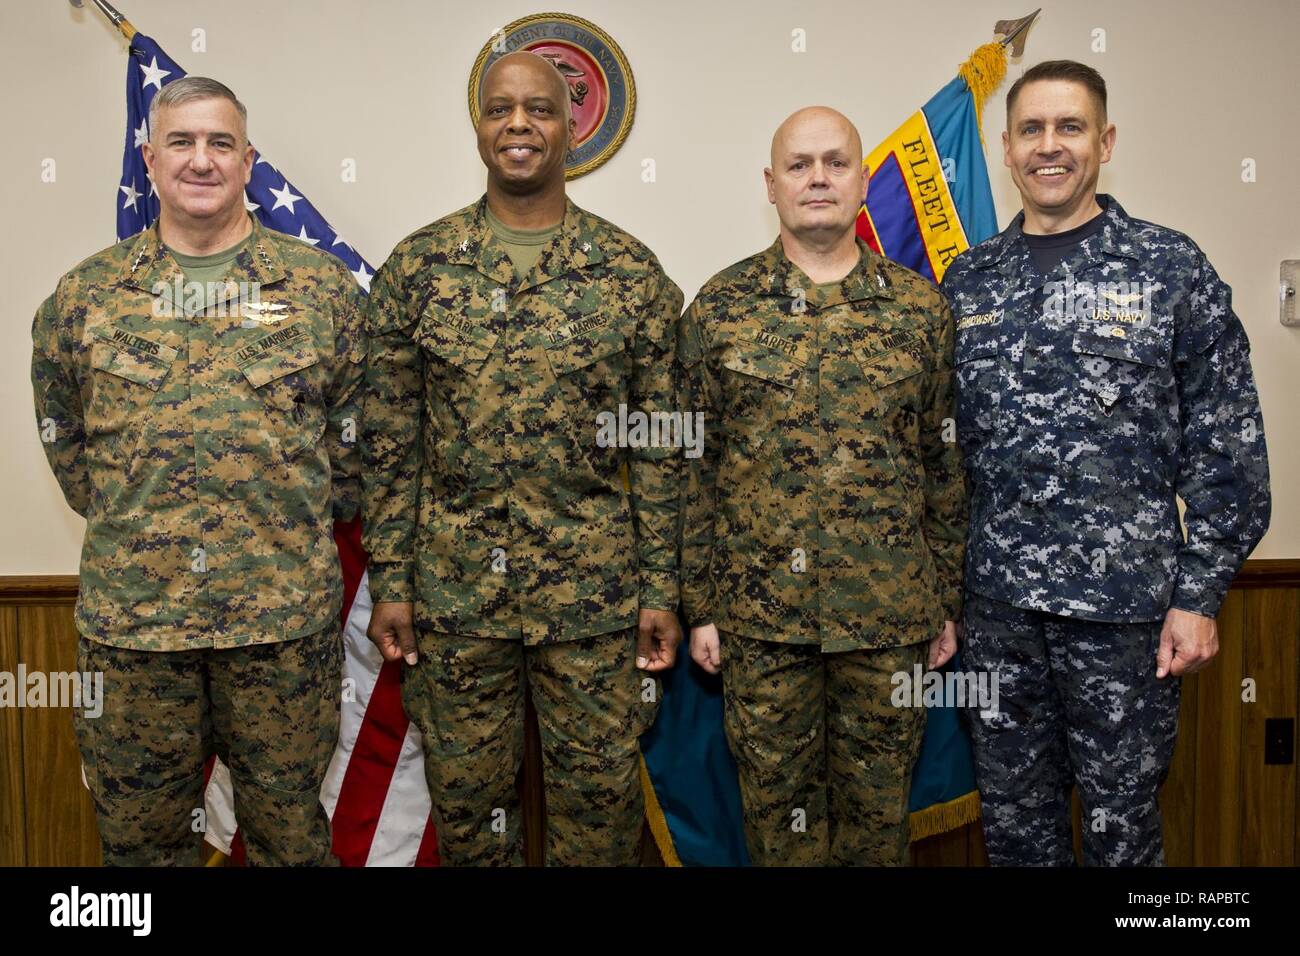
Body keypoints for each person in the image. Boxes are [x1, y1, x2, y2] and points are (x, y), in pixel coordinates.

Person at [940, 59, 1271, 865]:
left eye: (1070, 127)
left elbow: (1230, 448)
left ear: (1105, 141)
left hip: (1126, 619)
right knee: (1017, 828)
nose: (1049, 147)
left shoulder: (1169, 269)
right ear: (1007, 150)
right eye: (1031, 130)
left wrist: (1199, 596)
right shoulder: (968, 280)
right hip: (998, 617)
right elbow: (940, 457)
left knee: (1124, 830)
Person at [30, 76, 366, 865]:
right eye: (181, 142)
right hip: (137, 635)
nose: (201, 160)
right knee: (143, 852)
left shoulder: (321, 294)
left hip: (280, 633)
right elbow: (69, 444)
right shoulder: (85, 299)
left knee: (291, 843)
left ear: (249, 161)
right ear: (149, 159)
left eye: (221, 143)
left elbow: (353, 452)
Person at [361, 51, 684, 865]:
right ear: (479, 127)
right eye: (501, 110)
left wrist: (661, 589)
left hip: (596, 601)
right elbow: (394, 444)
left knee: (601, 814)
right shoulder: (420, 269)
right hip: (456, 596)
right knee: (473, 816)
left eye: (539, 110)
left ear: (570, 127)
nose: (519, 126)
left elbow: (661, 450)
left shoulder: (630, 274)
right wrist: (393, 582)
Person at [680, 106, 967, 865]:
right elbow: (693, 472)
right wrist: (701, 608)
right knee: (779, 828)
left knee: (879, 830)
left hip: (888, 622)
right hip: (760, 623)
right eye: (799, 165)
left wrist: (945, 603)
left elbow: (944, 467)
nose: (817, 178)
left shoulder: (919, 310)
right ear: (770, 185)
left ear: (863, 181)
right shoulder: (719, 309)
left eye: (836, 163)